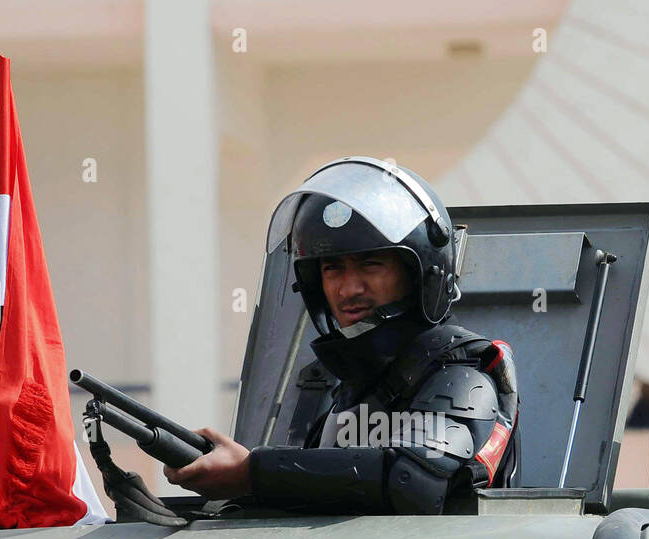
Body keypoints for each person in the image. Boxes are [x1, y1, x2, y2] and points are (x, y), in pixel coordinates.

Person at [165, 157, 519, 515]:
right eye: (333, 268)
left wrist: (252, 473)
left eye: (371, 264)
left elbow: (411, 482)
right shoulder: (342, 392)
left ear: (420, 273)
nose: (348, 288)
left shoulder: (463, 373)